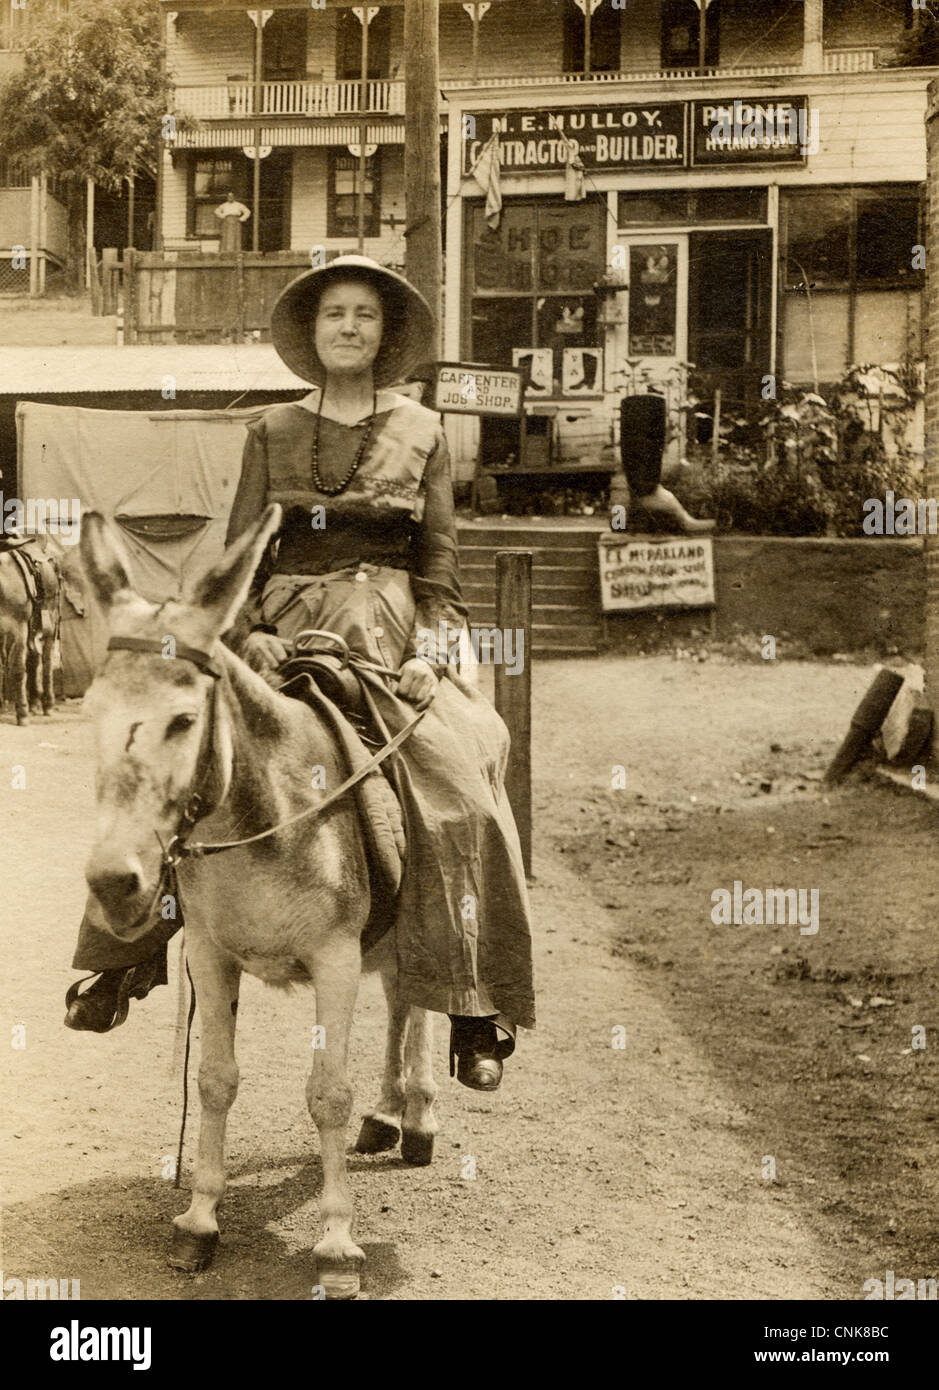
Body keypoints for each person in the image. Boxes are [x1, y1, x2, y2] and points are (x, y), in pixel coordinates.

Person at [65, 255, 536, 1091]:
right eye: (333, 316)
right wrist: (247, 636)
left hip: (382, 639)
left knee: (458, 787)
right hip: (278, 640)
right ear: (312, 335)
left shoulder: (424, 434)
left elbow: (441, 566)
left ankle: (471, 1002)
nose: (349, 328)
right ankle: (119, 959)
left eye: (364, 315)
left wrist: (431, 652)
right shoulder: (270, 431)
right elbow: (241, 551)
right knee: (168, 765)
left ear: (385, 334)